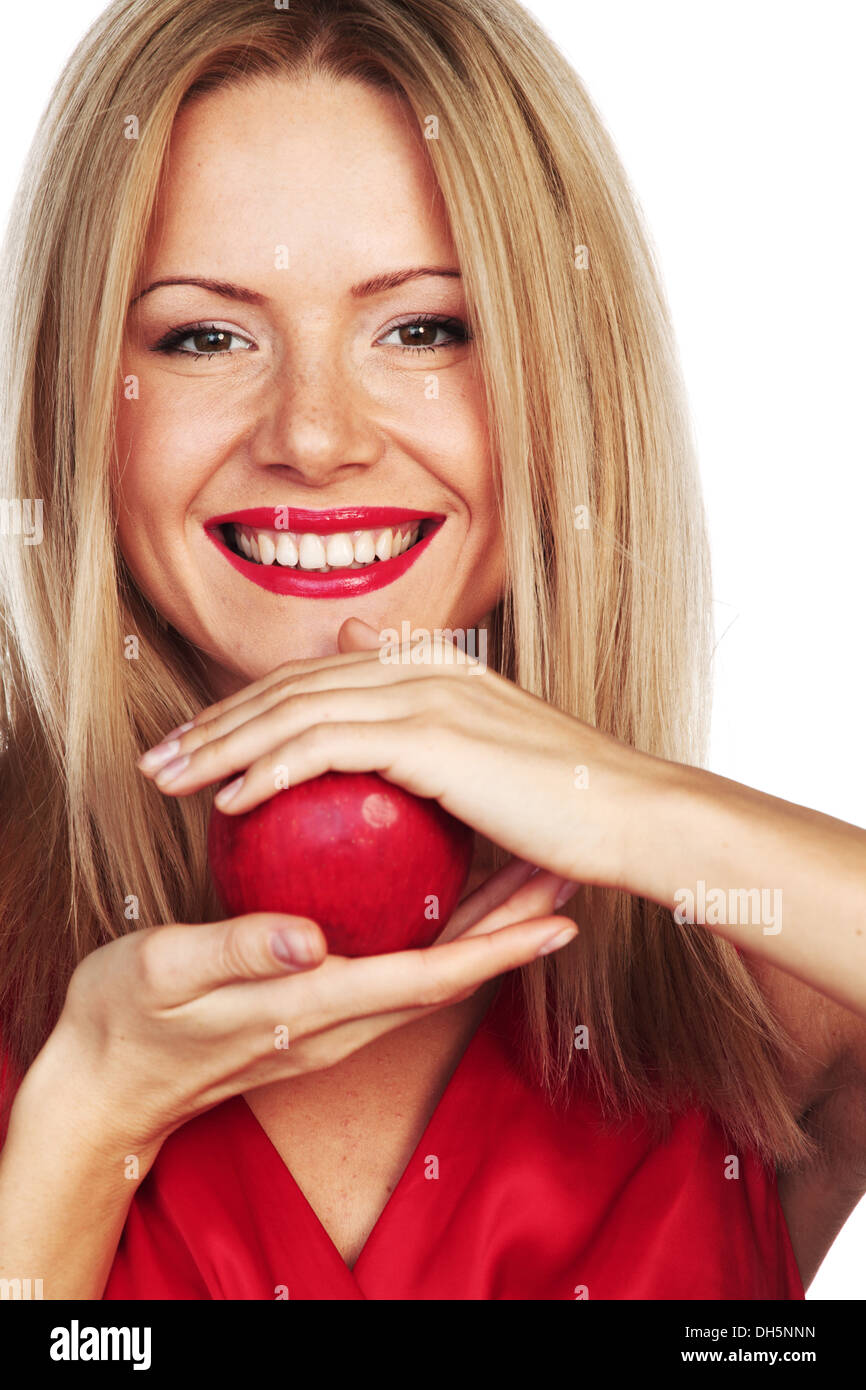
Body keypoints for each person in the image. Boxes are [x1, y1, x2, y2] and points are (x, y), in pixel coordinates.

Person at [0, 0, 863, 1301]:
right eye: (202, 335)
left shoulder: (764, 988)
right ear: (79, 402)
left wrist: (642, 808)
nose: (315, 434)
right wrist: (83, 1130)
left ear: (561, 385)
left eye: (423, 329)